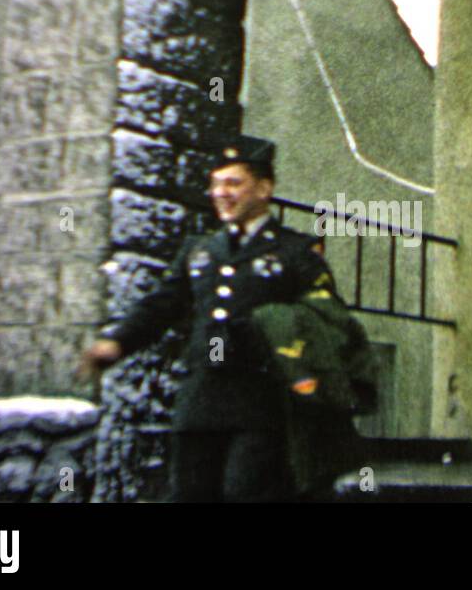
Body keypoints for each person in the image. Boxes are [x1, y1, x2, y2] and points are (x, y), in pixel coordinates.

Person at [79, 134, 357, 502]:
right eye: (215, 183)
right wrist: (117, 343)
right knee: (190, 495)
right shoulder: (200, 250)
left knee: (246, 493)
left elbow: (328, 321)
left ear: (263, 189)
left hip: (261, 404)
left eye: (233, 183)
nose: (220, 193)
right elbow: (161, 304)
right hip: (201, 400)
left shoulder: (296, 252)